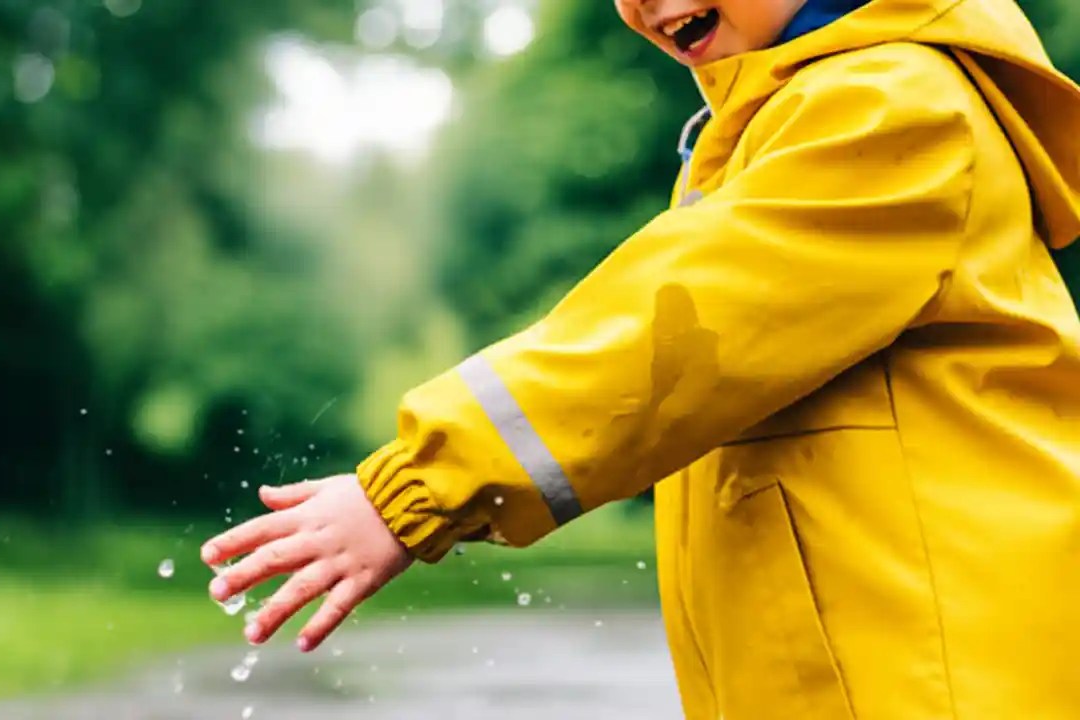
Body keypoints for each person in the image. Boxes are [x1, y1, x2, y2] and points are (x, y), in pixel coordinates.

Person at [202, 0, 1080, 716]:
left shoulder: (892, 105)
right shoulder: (787, 122)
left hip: (939, 678)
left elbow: (677, 330)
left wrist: (422, 484)